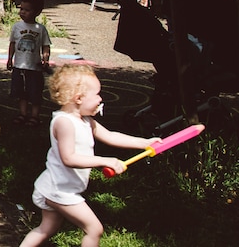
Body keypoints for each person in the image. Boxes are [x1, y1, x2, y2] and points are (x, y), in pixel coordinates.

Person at [20, 66, 160, 247]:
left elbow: (110, 136)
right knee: (94, 229)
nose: (101, 99)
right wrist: (104, 161)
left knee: (47, 228)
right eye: (97, 94)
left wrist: (144, 143)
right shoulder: (64, 123)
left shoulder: (86, 120)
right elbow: (69, 158)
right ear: (78, 98)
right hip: (59, 190)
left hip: (60, 187)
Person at [8, 0, 52, 126]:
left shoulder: (41, 29)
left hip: (35, 67)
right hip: (19, 66)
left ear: (37, 12)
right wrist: (10, 59)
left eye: (27, 10)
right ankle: (22, 113)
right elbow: (12, 44)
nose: (23, 12)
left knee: (35, 92)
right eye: (21, 9)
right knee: (21, 92)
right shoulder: (16, 27)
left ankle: (34, 115)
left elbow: (45, 45)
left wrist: (45, 59)